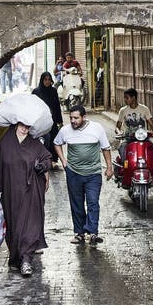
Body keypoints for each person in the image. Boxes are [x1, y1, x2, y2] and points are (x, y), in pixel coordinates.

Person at [0, 120, 52, 277]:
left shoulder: (34, 143)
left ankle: (26, 260)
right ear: (16, 125)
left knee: (31, 226)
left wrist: (42, 166)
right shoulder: (4, 145)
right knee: (14, 228)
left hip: (31, 193)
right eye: (22, 126)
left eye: (27, 127)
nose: (25, 129)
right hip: (11, 194)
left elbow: (47, 158)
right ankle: (16, 259)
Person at [53, 104, 113, 246]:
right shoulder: (65, 130)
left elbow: (105, 148)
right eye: (71, 118)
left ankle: (92, 233)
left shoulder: (96, 128)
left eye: (76, 118)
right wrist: (63, 161)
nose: (73, 121)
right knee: (77, 203)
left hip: (93, 173)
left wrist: (109, 167)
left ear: (84, 117)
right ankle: (79, 233)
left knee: (93, 202)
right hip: (73, 173)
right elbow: (56, 143)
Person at [114, 88, 153, 167]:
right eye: (124, 98)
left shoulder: (144, 109)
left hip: (143, 138)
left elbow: (152, 124)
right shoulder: (123, 110)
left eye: (127, 98)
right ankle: (125, 169)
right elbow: (117, 126)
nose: (125, 100)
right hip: (128, 138)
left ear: (133, 98)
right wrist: (119, 133)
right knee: (122, 148)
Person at [32, 71, 63, 169]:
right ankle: (42, 160)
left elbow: (57, 106)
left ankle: (53, 160)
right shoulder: (36, 92)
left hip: (52, 120)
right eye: (45, 79)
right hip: (40, 120)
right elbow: (32, 106)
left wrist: (59, 120)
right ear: (42, 80)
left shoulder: (53, 91)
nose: (47, 82)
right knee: (43, 140)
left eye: (49, 80)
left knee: (54, 139)